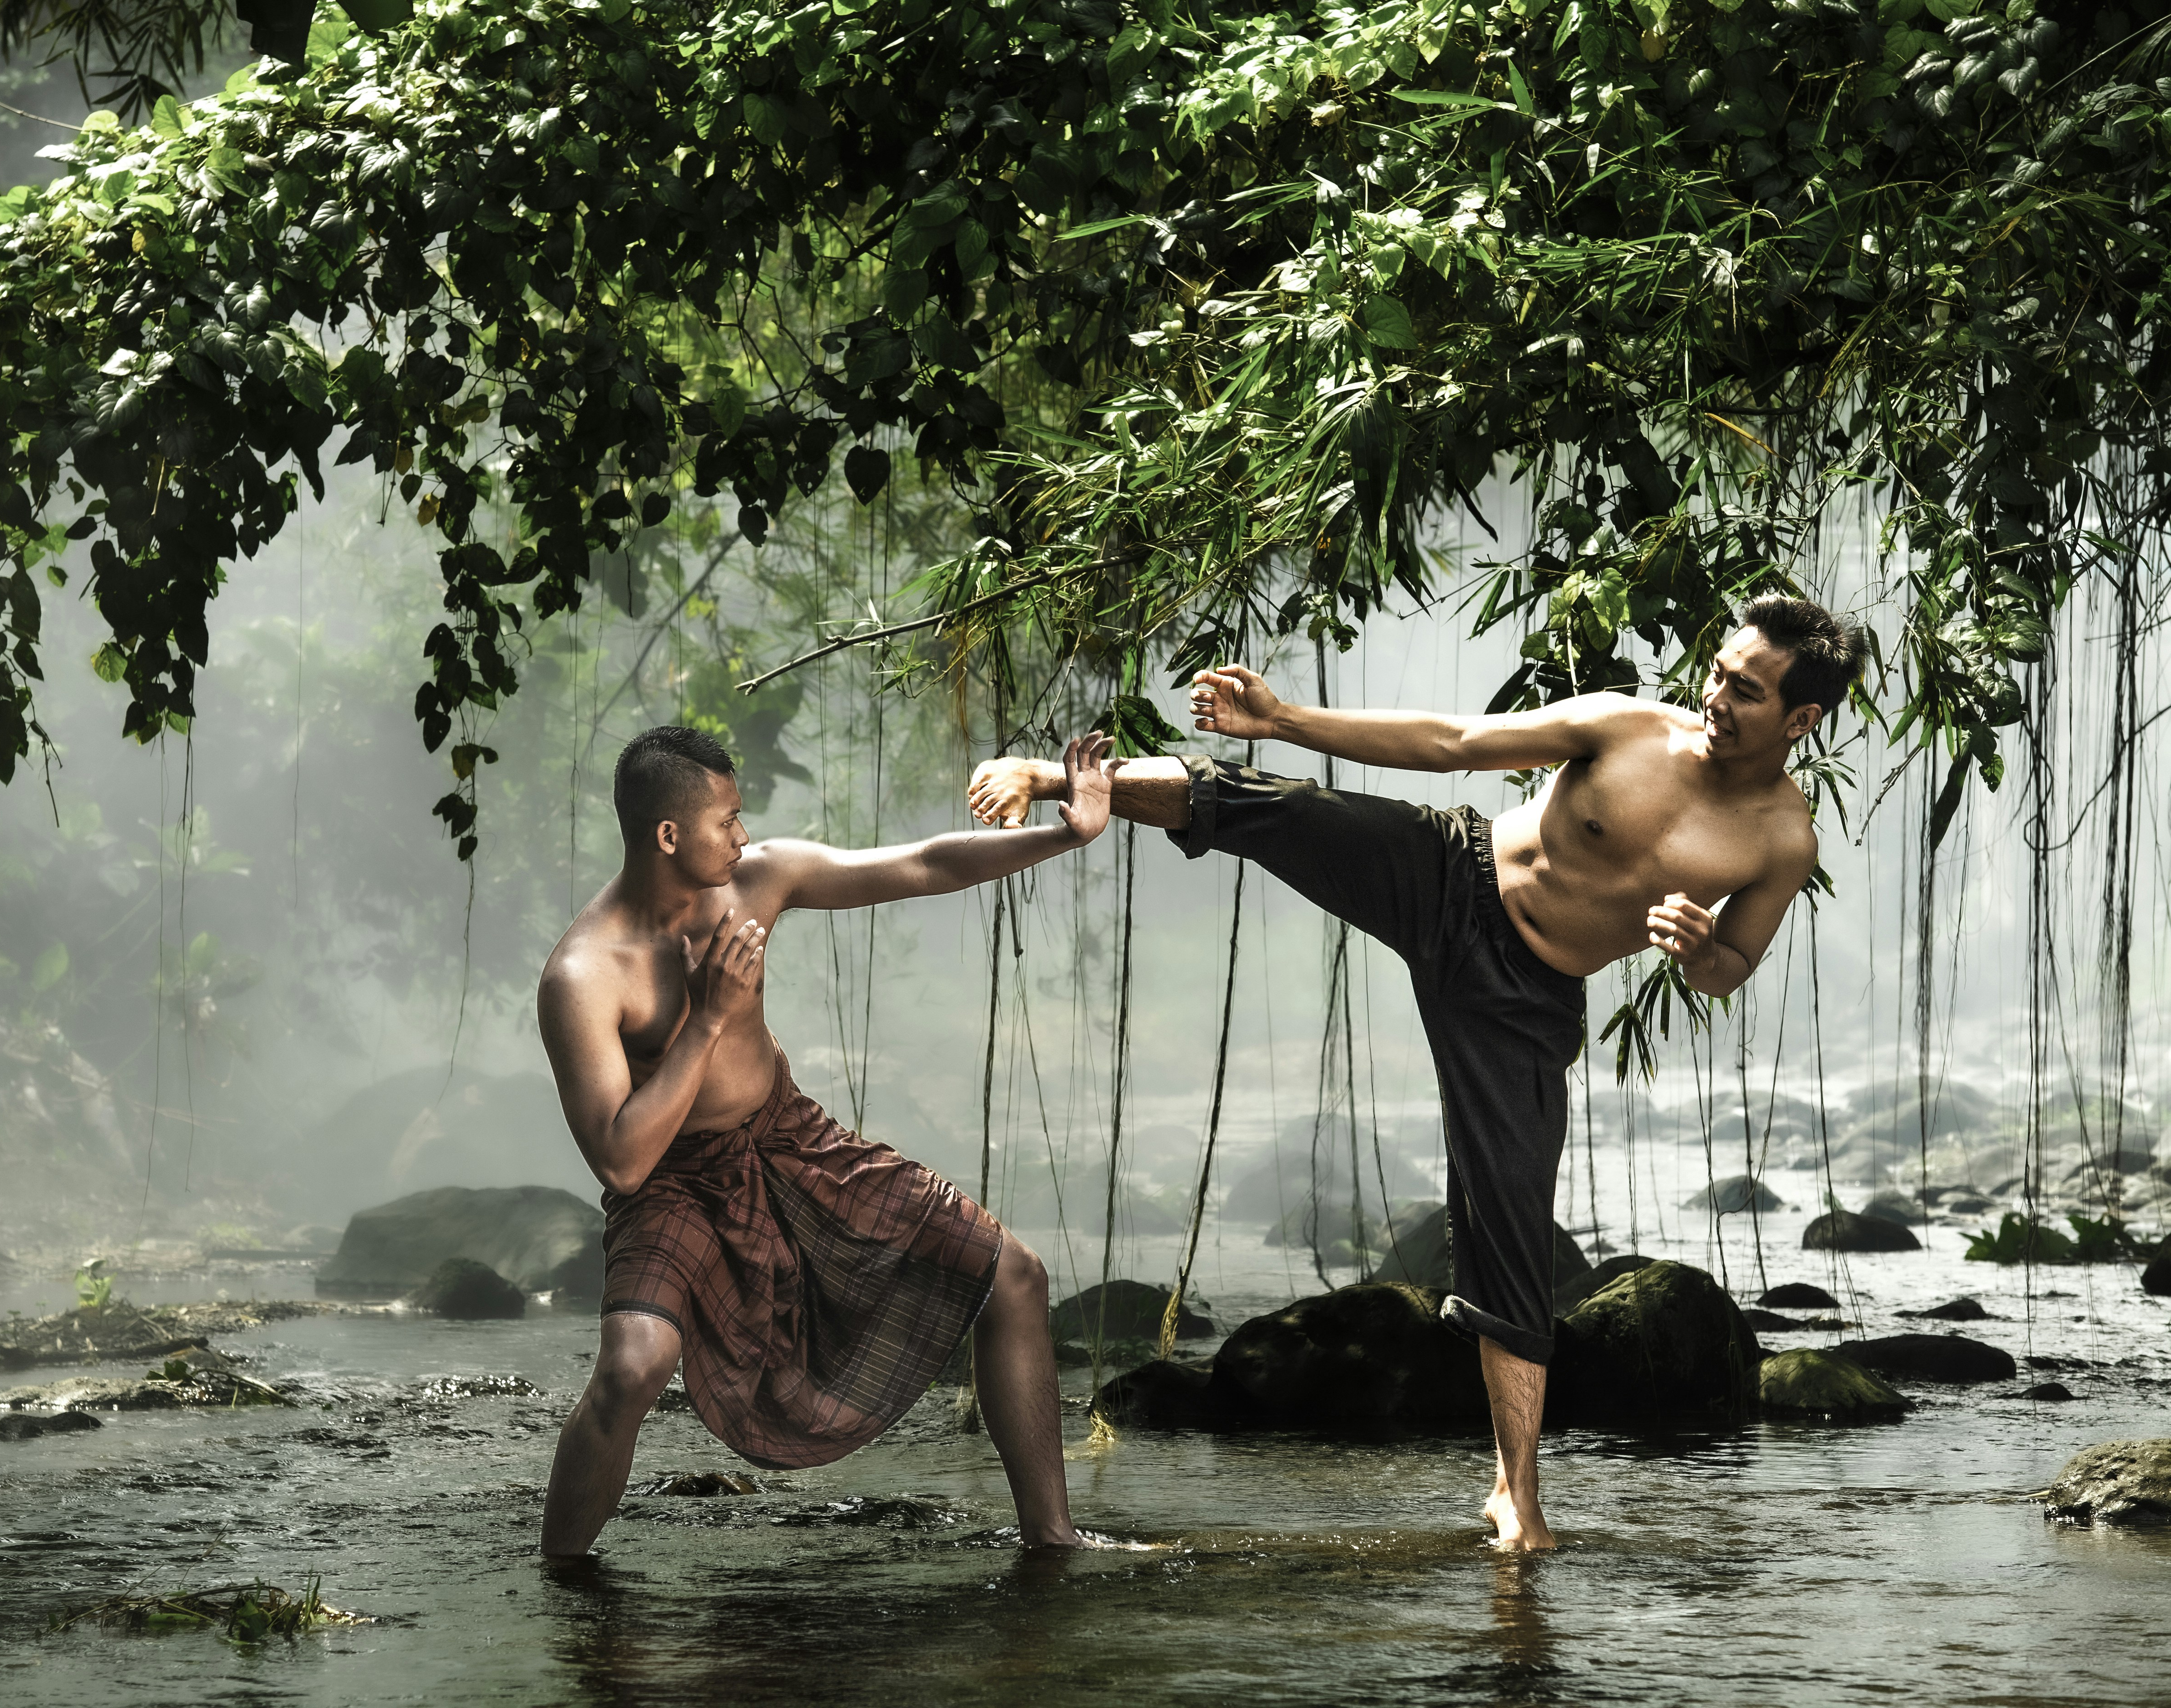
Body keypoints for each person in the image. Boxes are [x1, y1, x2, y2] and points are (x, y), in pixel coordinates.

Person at [965, 595, 1866, 1550]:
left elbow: (1732, 966)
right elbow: (1452, 742)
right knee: (1276, 806)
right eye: (1719, 671)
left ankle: (1517, 1495)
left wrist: (1699, 950)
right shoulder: (1629, 725)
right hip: (1452, 873)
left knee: (1510, 1227)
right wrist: (1283, 719)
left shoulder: (1782, 840)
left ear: (1801, 719)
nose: (1716, 696)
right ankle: (1053, 778)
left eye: (1747, 691)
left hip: (1525, 999)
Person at [536, 724, 1120, 1556]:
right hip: (674, 1179)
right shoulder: (584, 975)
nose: (743, 837)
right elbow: (623, 1162)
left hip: (790, 1138)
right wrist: (707, 1018)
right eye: (725, 822)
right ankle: (563, 1581)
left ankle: (1053, 1541)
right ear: (668, 835)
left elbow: (926, 865)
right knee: (632, 1366)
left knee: (1014, 1276)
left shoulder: (756, 879)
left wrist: (1068, 835)